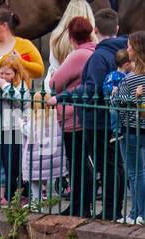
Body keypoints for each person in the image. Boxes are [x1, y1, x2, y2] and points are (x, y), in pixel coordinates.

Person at [81, 10, 127, 223]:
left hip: (98, 119)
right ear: (117, 29)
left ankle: (110, 210)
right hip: (117, 117)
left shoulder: (99, 57)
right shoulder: (124, 53)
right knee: (116, 164)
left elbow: (93, 90)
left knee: (107, 165)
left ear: (95, 30)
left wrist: (72, 98)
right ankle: (114, 208)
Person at [49, 15, 97, 217]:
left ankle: (80, 206)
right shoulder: (95, 51)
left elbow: (54, 83)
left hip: (72, 117)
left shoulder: (77, 55)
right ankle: (81, 205)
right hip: (85, 115)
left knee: (76, 163)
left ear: (70, 36)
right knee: (82, 162)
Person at [111, 29, 145, 225]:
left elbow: (117, 106)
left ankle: (139, 214)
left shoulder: (130, 79)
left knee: (135, 173)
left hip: (132, 130)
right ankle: (135, 213)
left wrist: (115, 94)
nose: (127, 48)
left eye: (130, 45)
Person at [0, 53, 30, 206]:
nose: (3, 76)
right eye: (1, 73)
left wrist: (5, 86)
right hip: (3, 128)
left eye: (7, 73)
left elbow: (18, 100)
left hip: (16, 129)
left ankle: (19, 195)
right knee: (6, 163)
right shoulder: (1, 87)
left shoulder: (21, 86)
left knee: (15, 164)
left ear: (16, 73)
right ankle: (11, 195)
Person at [47, 0, 97, 77]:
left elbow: (54, 67)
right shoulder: (94, 38)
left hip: (56, 83)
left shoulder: (56, 36)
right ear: (88, 14)